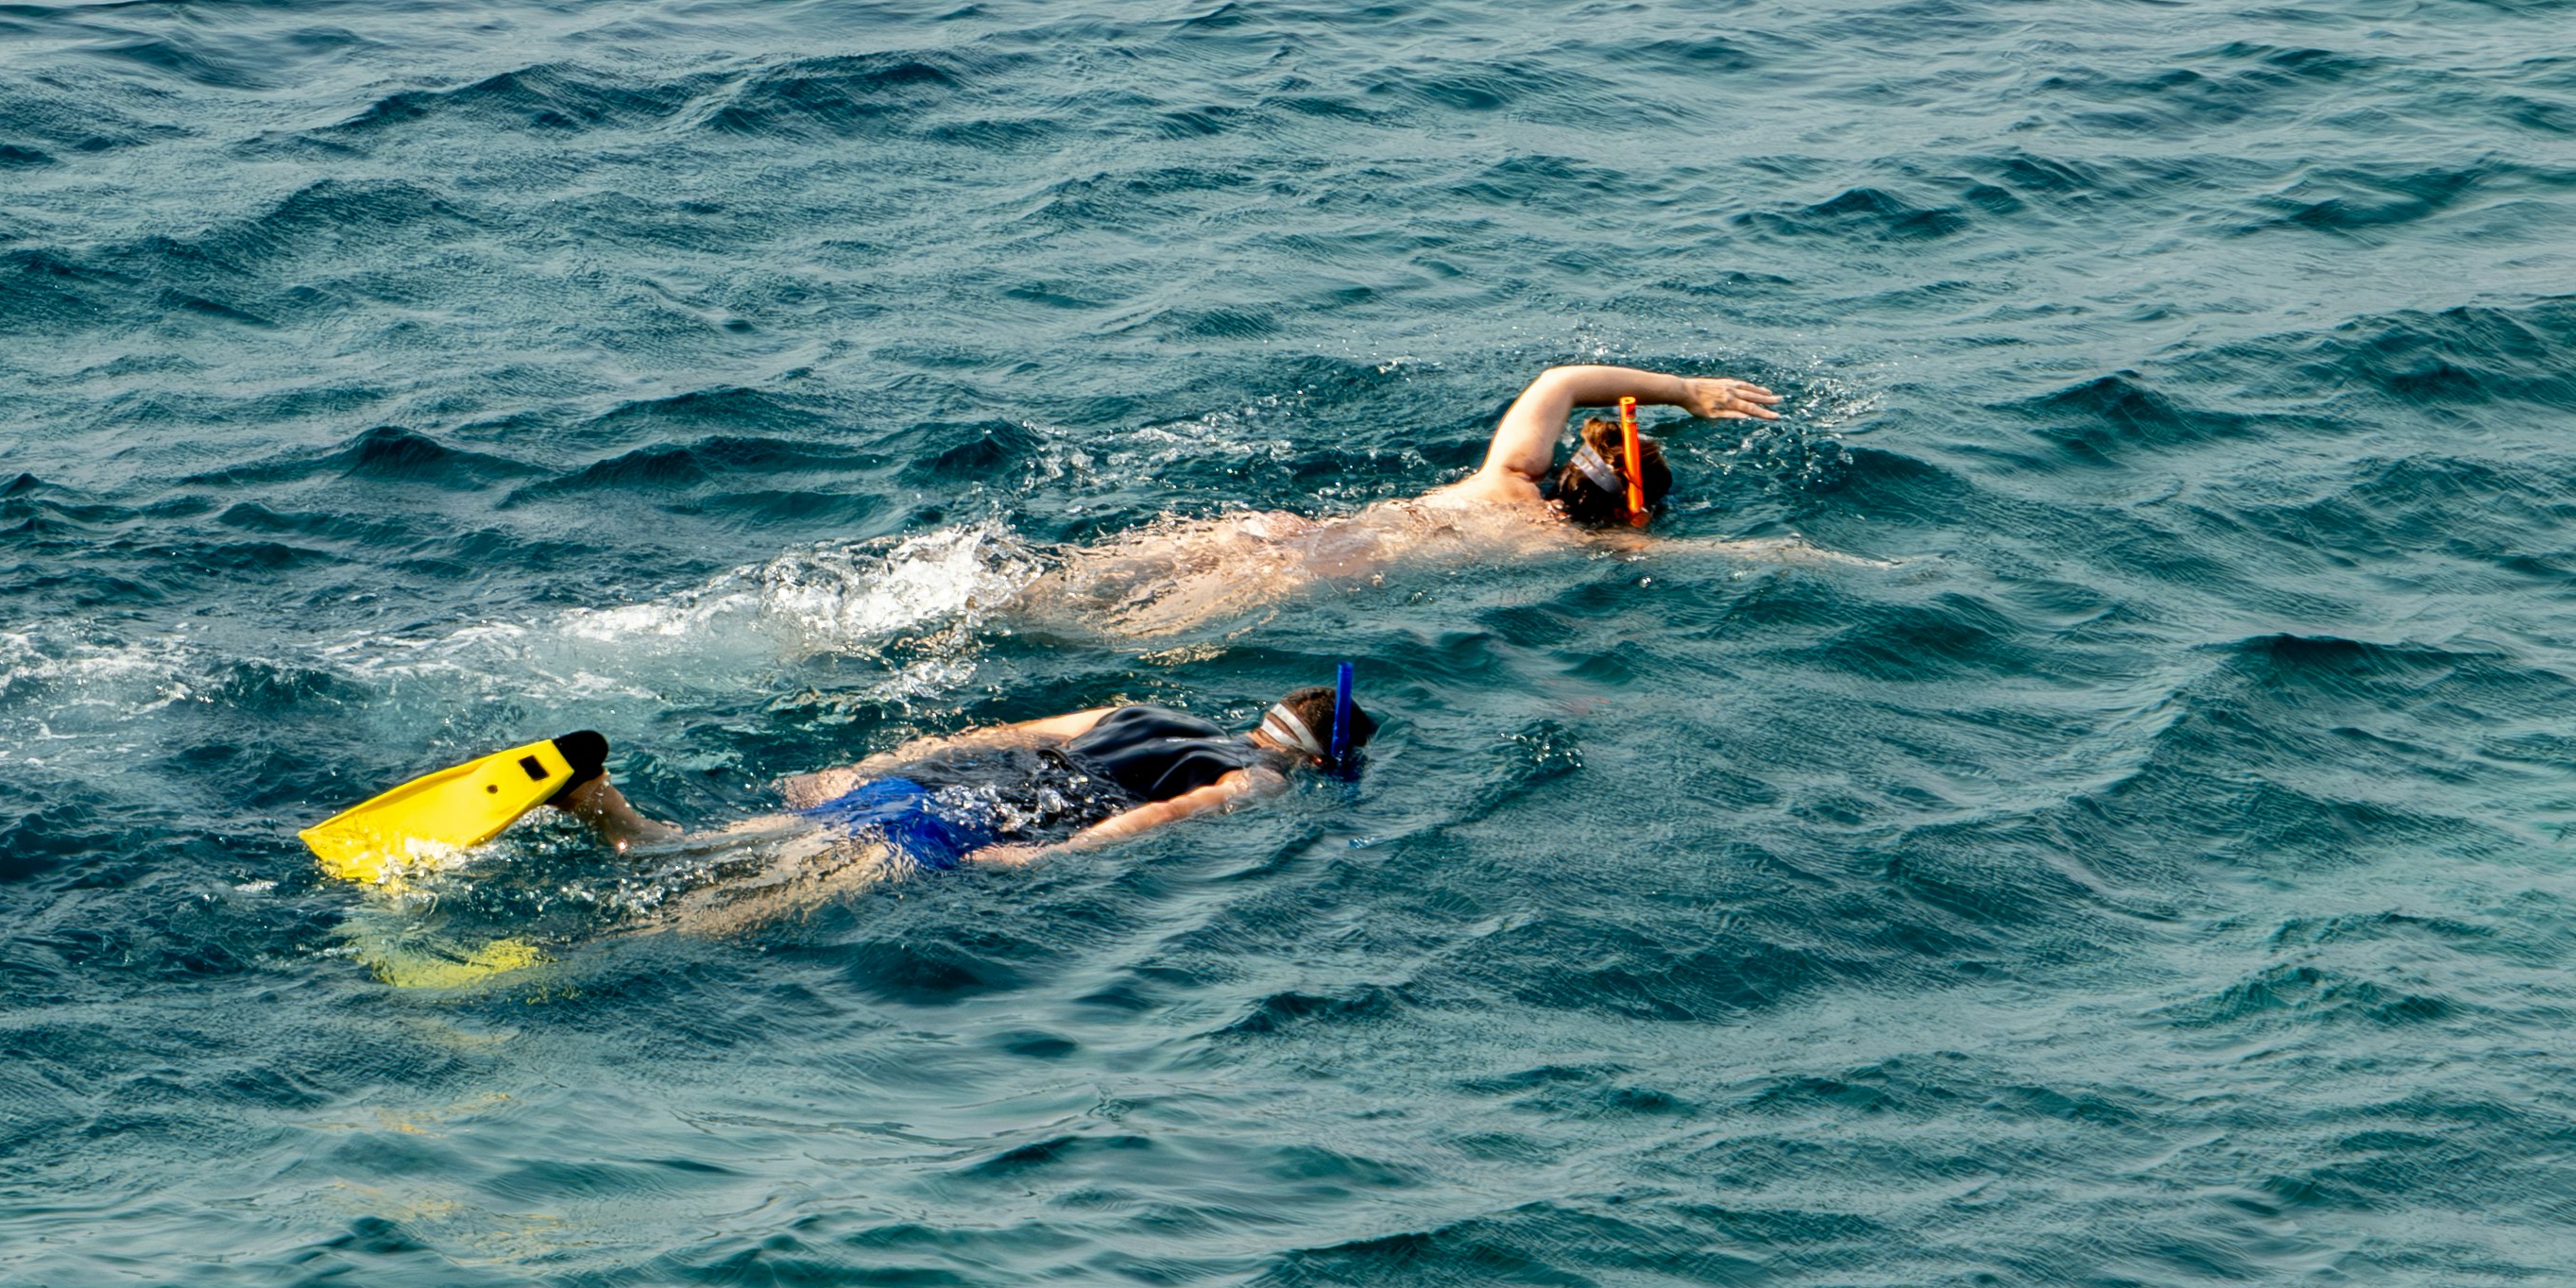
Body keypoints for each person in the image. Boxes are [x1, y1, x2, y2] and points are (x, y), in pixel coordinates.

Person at [1012, 364, 1777, 639]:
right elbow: (1752, 555)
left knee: (1038, 600)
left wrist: (1688, 392)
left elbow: (1561, 381)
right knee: (1085, 640)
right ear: (1630, 512)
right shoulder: (1578, 547)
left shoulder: (1508, 473)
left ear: (1571, 464)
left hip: (1277, 530)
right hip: (1327, 571)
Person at [552, 680, 1367, 925]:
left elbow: (1006, 728)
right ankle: (610, 932)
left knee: (772, 840)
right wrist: (1056, 854)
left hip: (938, 783)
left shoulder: (1138, 708)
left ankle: (617, 819)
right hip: (988, 823)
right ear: (1323, 757)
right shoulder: (1266, 779)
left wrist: (862, 765)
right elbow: (1164, 815)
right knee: (763, 902)